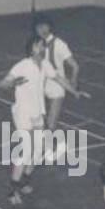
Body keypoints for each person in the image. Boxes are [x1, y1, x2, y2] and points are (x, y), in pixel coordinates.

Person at [0, 34, 88, 206]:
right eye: (40, 45)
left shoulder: (45, 65)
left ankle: (24, 179)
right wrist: (13, 82)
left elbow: (59, 79)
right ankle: (12, 190)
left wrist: (75, 92)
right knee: (26, 150)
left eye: (44, 46)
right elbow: (1, 84)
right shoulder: (22, 66)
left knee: (38, 151)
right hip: (23, 113)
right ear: (32, 48)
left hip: (38, 113)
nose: (43, 48)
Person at [35, 13, 80, 160]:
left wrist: (73, 82)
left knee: (51, 122)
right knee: (41, 120)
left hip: (57, 86)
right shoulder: (36, 44)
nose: (41, 29)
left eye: (44, 25)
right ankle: (54, 145)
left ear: (50, 27)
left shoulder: (60, 44)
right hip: (41, 86)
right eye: (38, 26)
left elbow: (74, 66)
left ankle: (48, 151)